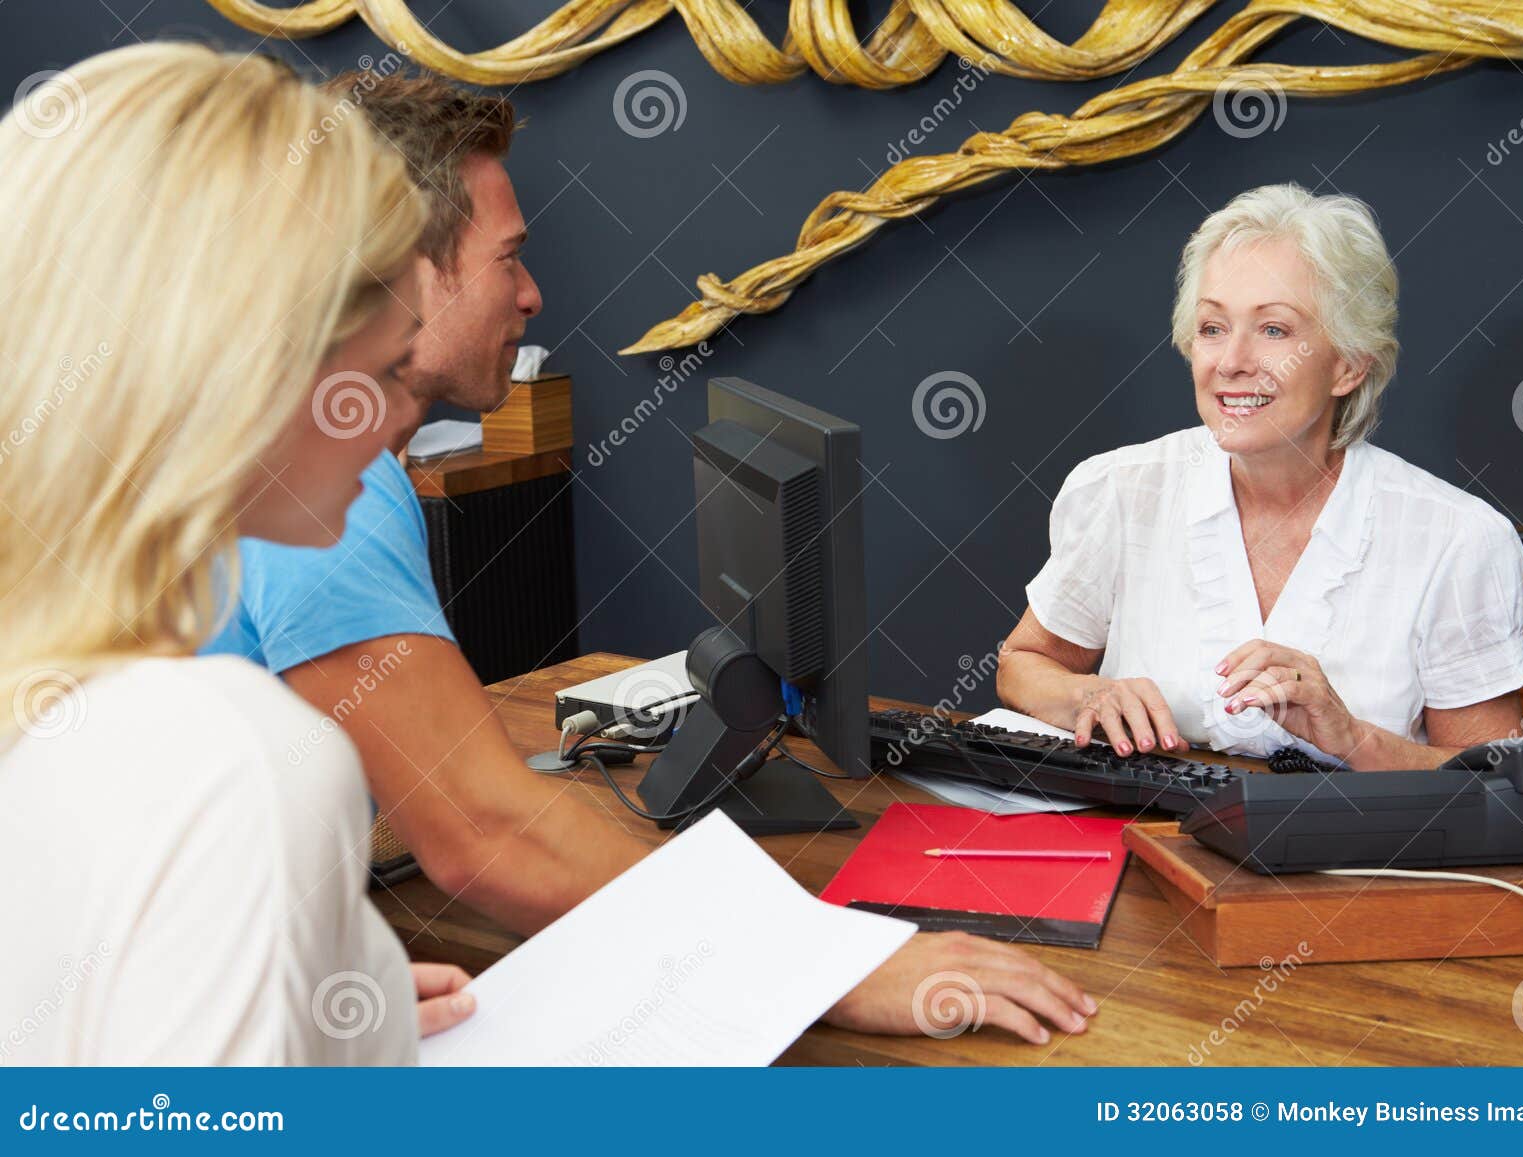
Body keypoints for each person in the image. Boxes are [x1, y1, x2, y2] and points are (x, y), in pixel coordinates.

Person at [203, 69, 1099, 1044]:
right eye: (508, 258)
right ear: (411, 269)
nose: (532, 293)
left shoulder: (264, 426)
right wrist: (820, 961)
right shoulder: (329, 470)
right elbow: (478, 830)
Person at [0, 43, 476, 1063]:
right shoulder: (234, 759)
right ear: (250, 371)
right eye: (384, 373)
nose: (396, 419)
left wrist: (338, 994)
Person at [998, 183, 1523, 772]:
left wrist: (1351, 737)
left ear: (1349, 365)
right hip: (1142, 840)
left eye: (1274, 330)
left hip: (1347, 855)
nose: (1231, 362)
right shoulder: (1123, 490)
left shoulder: (1458, 539)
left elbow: (1493, 784)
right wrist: (1086, 694)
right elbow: (1023, 663)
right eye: (1212, 328)